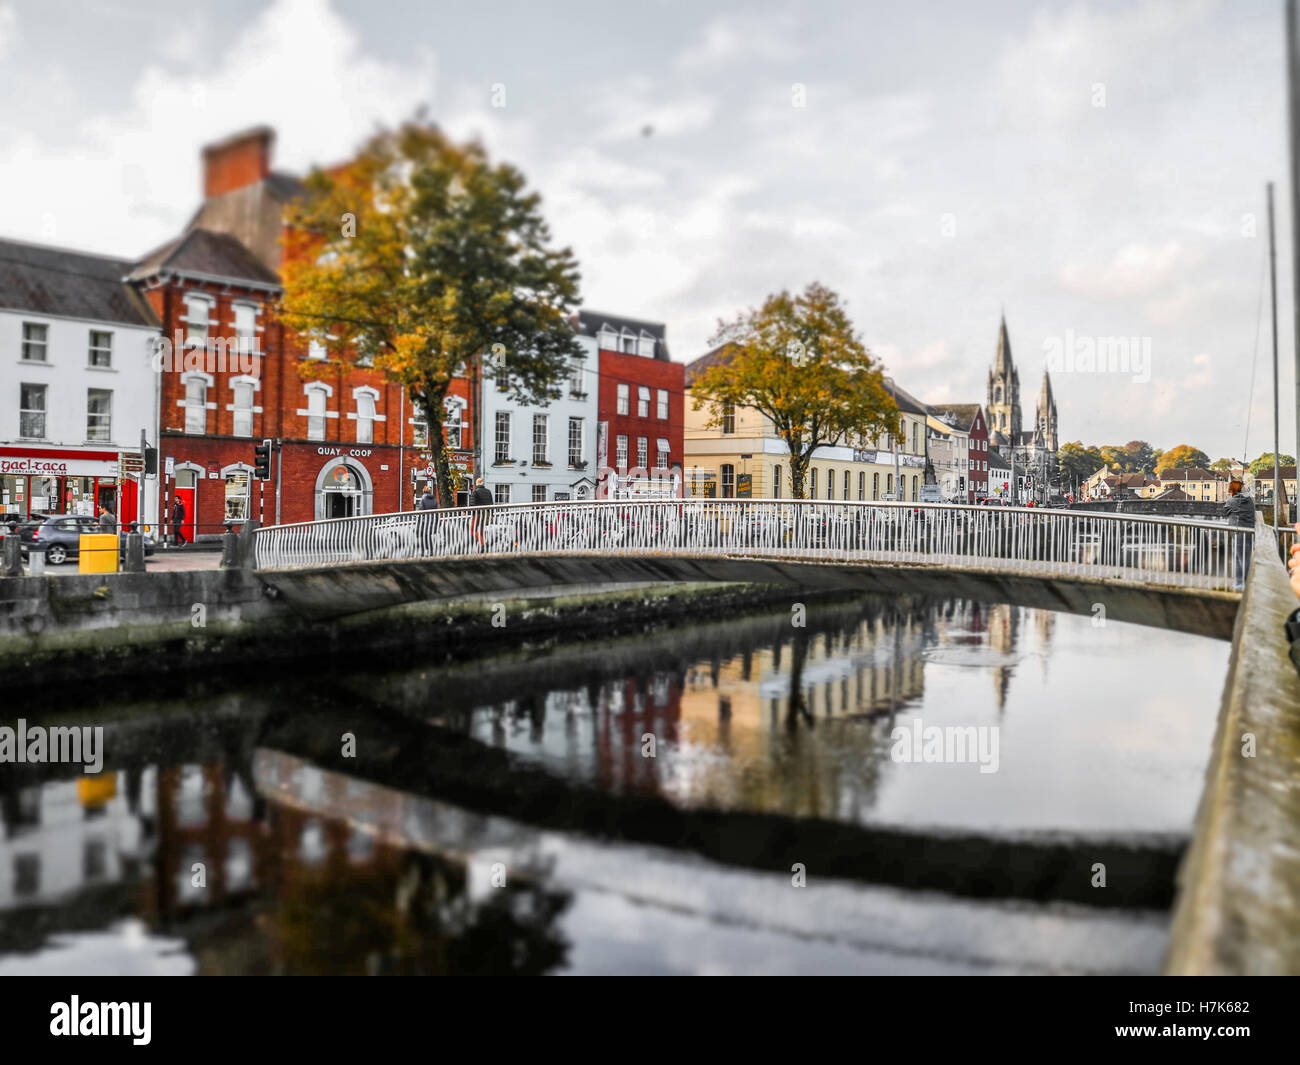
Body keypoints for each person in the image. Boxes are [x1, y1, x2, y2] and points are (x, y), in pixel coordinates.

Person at [1224, 479, 1254, 591]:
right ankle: (1239, 583)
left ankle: (1244, 585)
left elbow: (1224, 511)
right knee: (1242, 558)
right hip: (1249, 531)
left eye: (1230, 487)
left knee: (1241, 559)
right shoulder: (1250, 500)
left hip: (1238, 532)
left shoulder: (1232, 501)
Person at [469, 477, 493, 549]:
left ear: (476, 484)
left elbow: (472, 505)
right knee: (481, 530)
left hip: (477, 514)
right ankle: (482, 543)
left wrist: (468, 513)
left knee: (473, 530)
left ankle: (482, 544)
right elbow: (491, 503)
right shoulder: (488, 491)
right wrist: (492, 514)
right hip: (486, 513)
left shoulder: (475, 492)